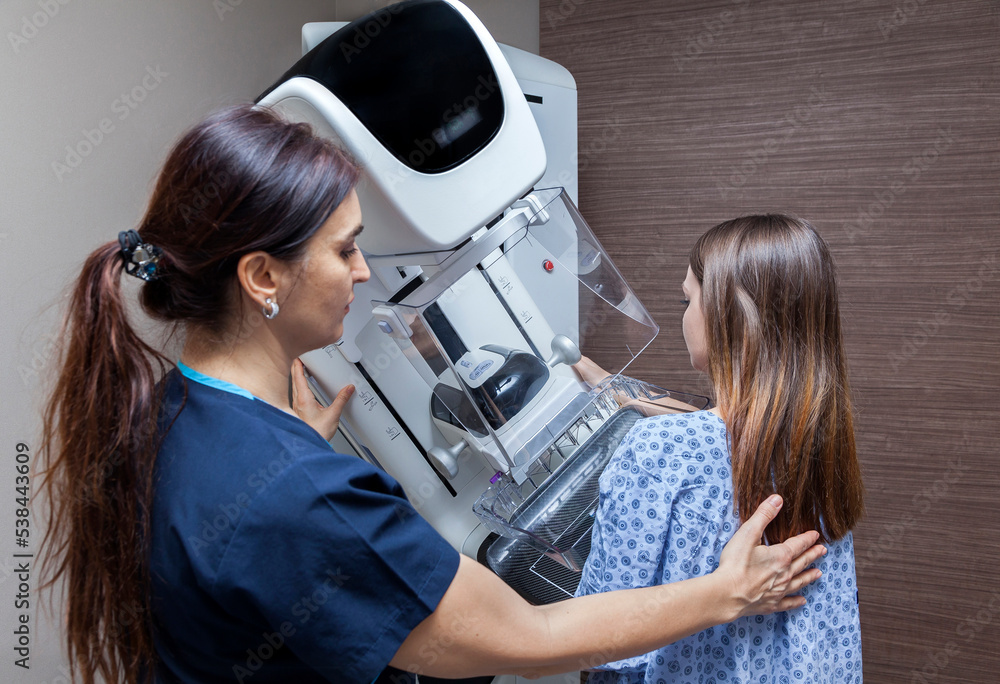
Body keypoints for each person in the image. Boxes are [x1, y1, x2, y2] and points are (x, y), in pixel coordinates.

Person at [38, 106, 827, 684]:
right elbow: (532, 632)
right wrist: (728, 592)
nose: (363, 273)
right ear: (261, 276)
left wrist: (296, 449)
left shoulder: (171, 412)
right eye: (345, 249)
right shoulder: (297, 492)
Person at [573, 215, 865, 682]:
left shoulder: (657, 452)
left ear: (731, 315)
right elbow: (724, 437)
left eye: (686, 299)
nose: (683, 315)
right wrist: (616, 388)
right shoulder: (818, 442)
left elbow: (593, 638)